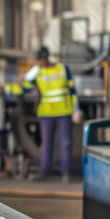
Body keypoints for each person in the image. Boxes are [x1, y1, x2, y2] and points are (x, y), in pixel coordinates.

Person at [21, 46, 81, 183]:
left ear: (45, 58)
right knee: (46, 143)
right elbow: (25, 86)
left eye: (39, 60)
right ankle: (44, 171)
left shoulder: (62, 69)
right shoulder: (38, 71)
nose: (38, 63)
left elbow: (72, 90)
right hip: (47, 112)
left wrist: (76, 110)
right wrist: (35, 69)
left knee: (66, 143)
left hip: (64, 111)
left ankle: (66, 173)